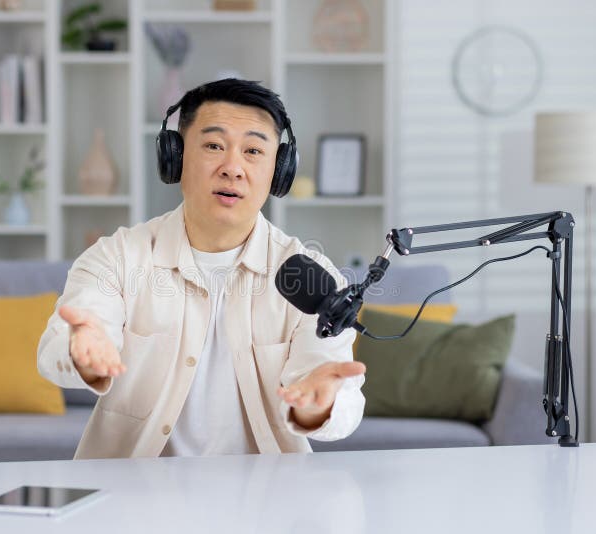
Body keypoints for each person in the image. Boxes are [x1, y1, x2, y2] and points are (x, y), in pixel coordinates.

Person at [37, 78, 366, 459]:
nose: (233, 168)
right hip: (134, 495)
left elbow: (336, 391)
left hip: (269, 498)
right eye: (213, 146)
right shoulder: (117, 256)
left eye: (254, 151)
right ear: (175, 158)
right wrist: (85, 352)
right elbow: (56, 350)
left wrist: (318, 404)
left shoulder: (309, 277)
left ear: (279, 171)